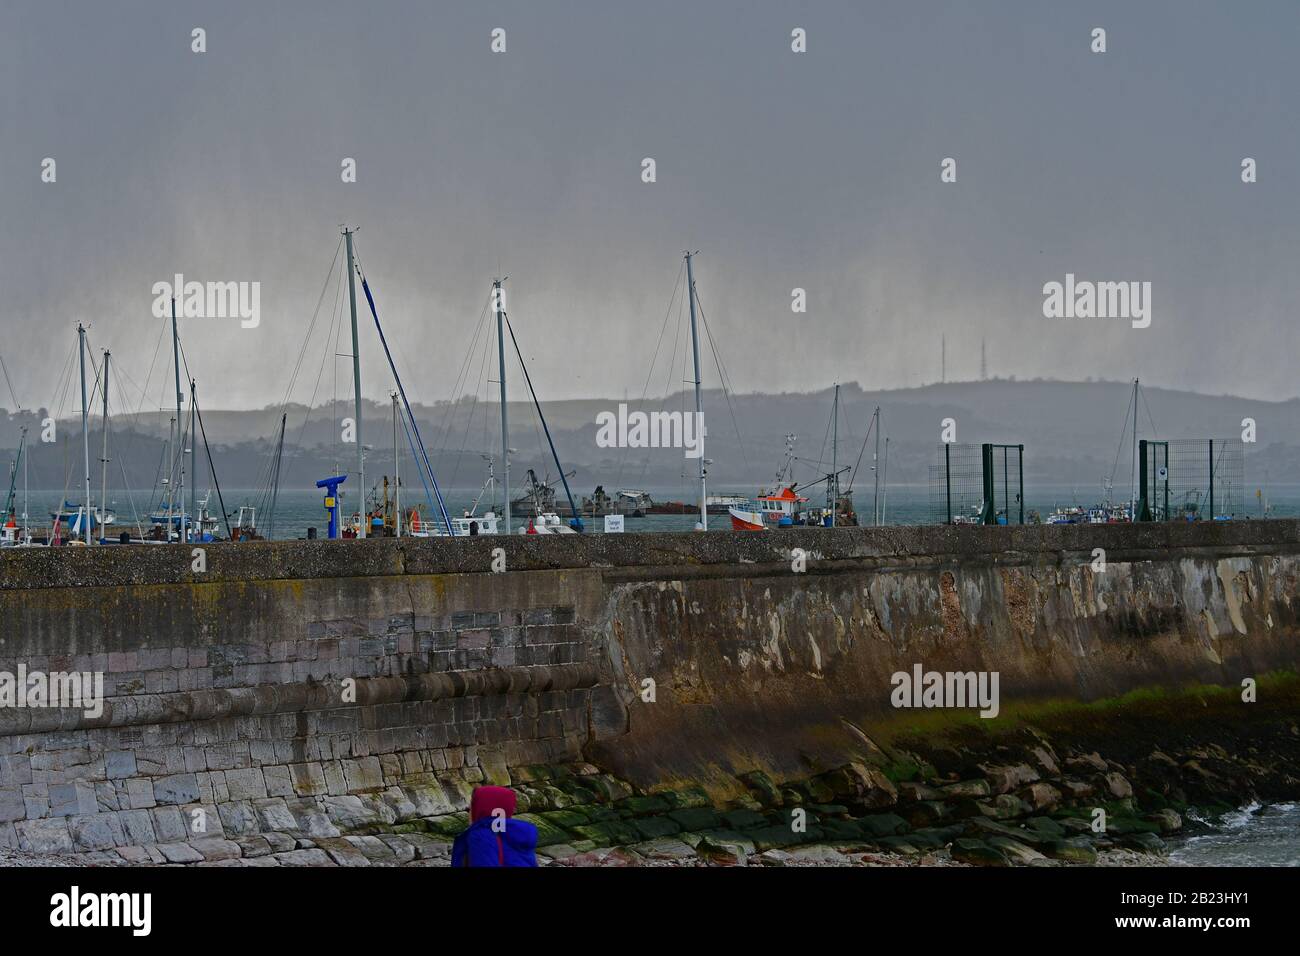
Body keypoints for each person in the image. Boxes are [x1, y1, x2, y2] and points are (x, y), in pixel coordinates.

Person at [451, 785, 538, 867]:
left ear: (481, 809)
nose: (469, 813)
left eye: (471, 808)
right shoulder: (519, 836)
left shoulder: (481, 836)